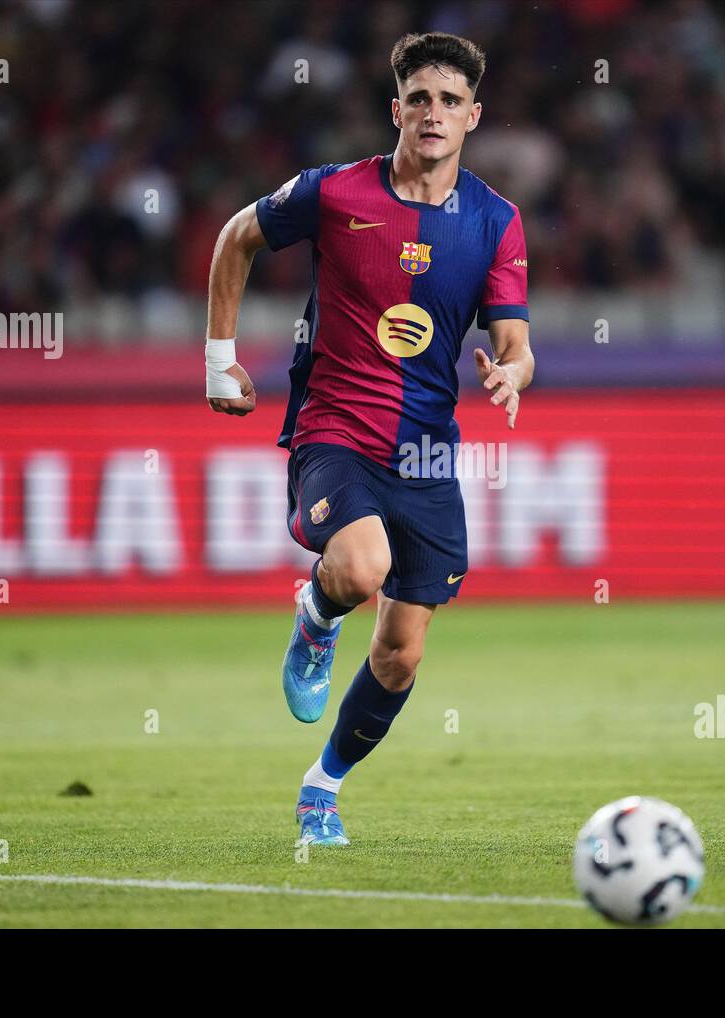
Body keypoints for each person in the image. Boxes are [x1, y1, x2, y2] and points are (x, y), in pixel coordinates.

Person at [203, 31, 534, 845]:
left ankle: (323, 787)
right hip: (335, 429)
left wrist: (512, 374)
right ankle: (317, 615)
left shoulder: (495, 221)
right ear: (396, 109)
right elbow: (236, 237)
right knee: (360, 567)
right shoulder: (336, 193)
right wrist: (219, 360)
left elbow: (518, 341)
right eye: (419, 98)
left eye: (450, 101)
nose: (433, 113)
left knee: (401, 655)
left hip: (425, 454)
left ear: (473, 117)